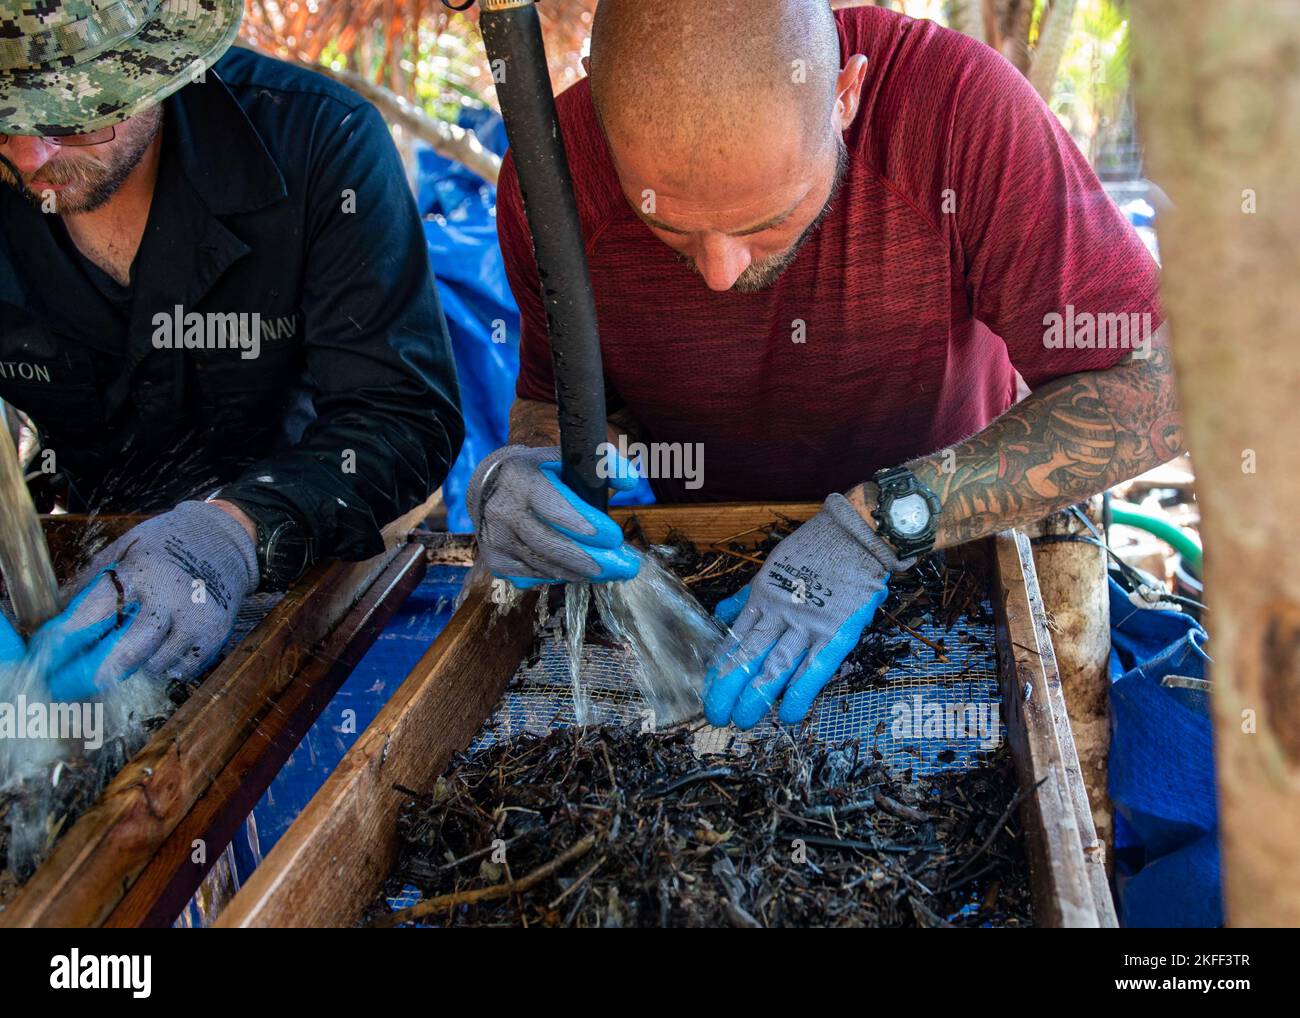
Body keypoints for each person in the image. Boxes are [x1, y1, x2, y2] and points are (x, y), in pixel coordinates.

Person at [470, 0, 1178, 730]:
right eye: (668, 227)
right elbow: (561, 406)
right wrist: (526, 473)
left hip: (954, 538)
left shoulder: (958, 111)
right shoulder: (549, 176)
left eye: (763, 222)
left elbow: (1167, 387)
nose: (719, 272)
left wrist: (887, 522)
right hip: (720, 569)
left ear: (845, 95)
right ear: (597, 102)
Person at [0, 1, 463, 698]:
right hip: (80, 593)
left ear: (157, 71)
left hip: (300, 582)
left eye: (74, 119)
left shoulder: (317, 143)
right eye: (6, 119)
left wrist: (228, 538)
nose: (31, 156)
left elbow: (402, 419)